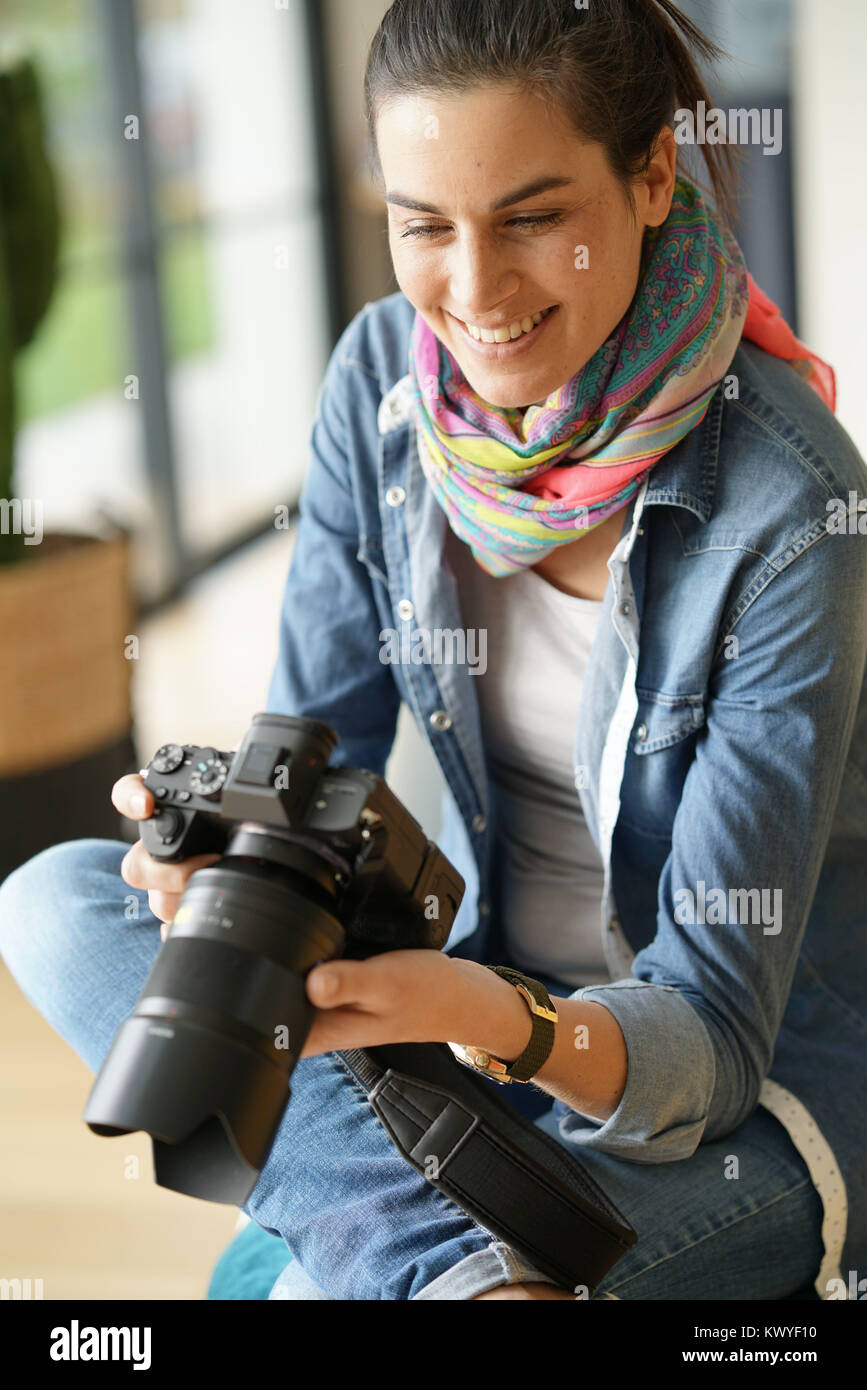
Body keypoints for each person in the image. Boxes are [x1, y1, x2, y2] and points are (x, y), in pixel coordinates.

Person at [1, 0, 865, 1302]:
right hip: (455, 1004)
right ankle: (461, 1259)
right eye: (423, 223)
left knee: (307, 1283)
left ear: (649, 176)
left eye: (529, 217)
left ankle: (401, 1238)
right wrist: (228, 847)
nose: (471, 291)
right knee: (57, 900)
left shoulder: (790, 507)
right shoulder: (382, 388)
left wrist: (477, 1017)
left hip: (737, 1092)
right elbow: (315, 755)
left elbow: (716, 1038)